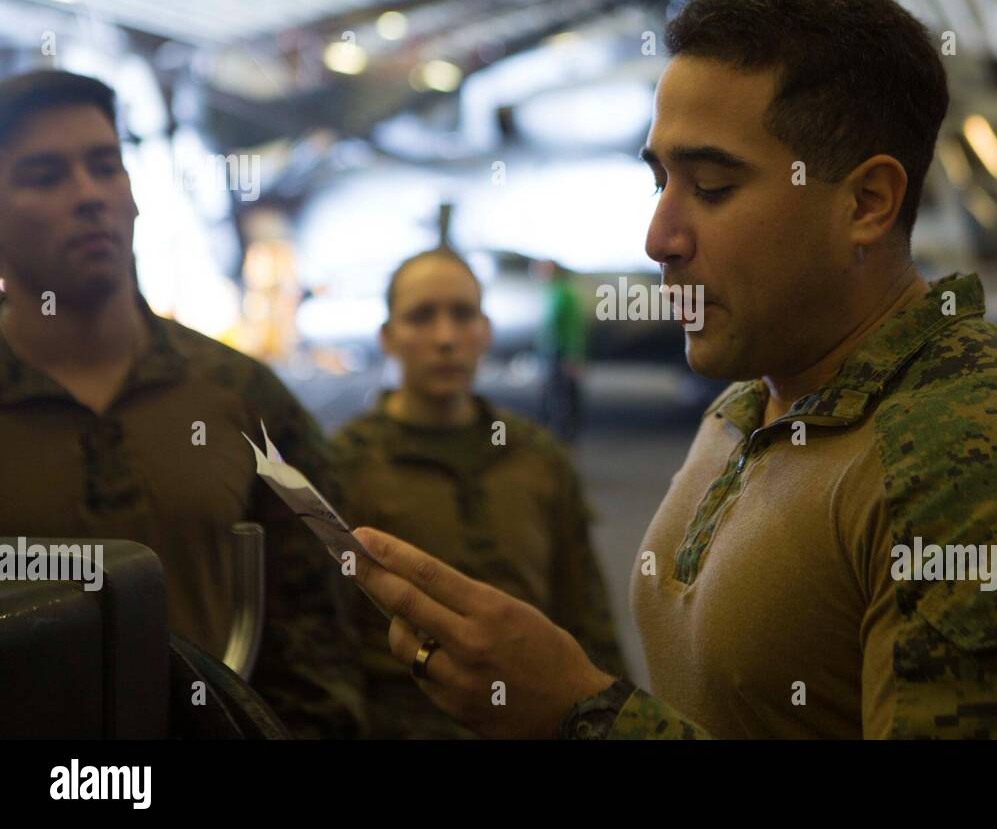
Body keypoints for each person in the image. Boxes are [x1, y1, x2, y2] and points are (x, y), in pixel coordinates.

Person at [352, 0, 997, 739]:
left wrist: (581, 716)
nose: (659, 238)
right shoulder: (754, 401)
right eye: (660, 182)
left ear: (866, 202)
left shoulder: (992, 469)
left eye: (712, 187)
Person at [0, 70, 363, 738]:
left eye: (105, 166)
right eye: (46, 176)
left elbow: (325, 631)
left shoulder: (244, 398)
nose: (89, 196)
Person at [331, 247, 625, 738]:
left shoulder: (538, 459)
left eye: (463, 315)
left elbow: (587, 620)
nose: (446, 338)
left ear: (485, 331)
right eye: (422, 317)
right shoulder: (342, 464)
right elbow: (319, 644)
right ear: (388, 337)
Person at [533, 259, 586, 442]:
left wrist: (574, 356)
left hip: (561, 354)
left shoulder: (564, 294)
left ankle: (564, 436)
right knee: (550, 394)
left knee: (563, 396)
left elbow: (573, 329)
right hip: (549, 353)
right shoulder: (550, 293)